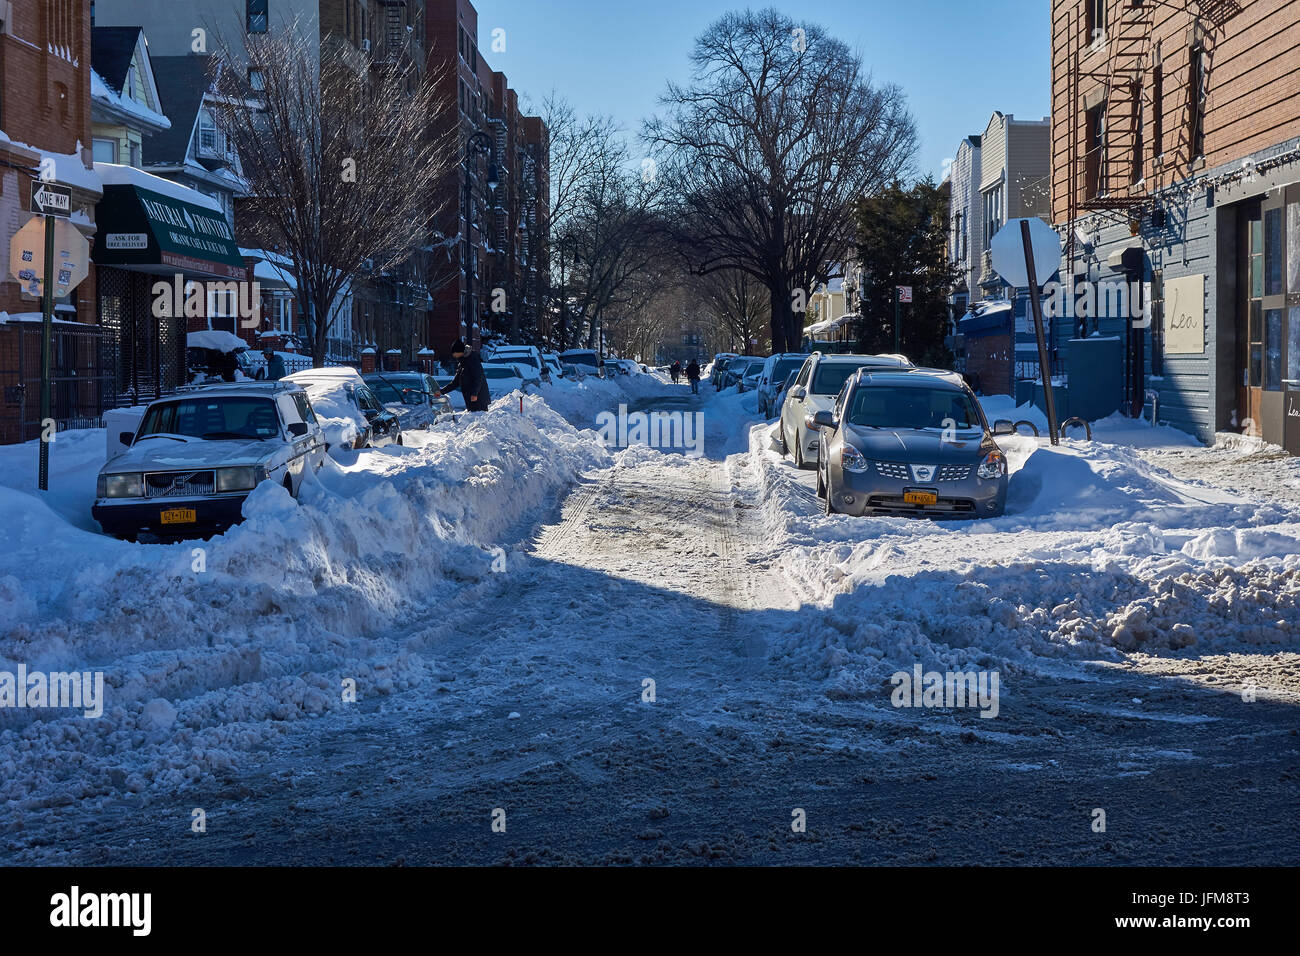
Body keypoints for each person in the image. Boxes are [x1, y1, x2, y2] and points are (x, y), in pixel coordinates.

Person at [436, 337, 490, 411]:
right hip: (471, 400)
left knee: (479, 420)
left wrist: (474, 394)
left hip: (478, 400)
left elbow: (478, 377)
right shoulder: (462, 363)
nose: (453, 355)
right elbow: (455, 383)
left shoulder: (472, 359)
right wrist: (441, 391)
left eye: (454, 353)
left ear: (460, 351)